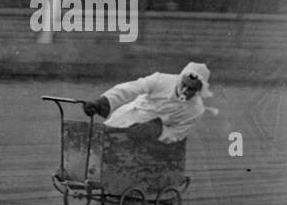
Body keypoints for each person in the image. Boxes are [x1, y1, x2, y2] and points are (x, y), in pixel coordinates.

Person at [83, 61, 212, 143]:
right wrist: (103, 102)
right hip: (125, 119)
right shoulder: (160, 80)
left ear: (199, 90)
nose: (185, 90)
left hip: (149, 141)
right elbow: (130, 89)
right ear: (180, 79)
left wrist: (158, 131)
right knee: (96, 142)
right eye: (184, 84)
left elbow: (177, 134)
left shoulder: (196, 110)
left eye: (191, 89)